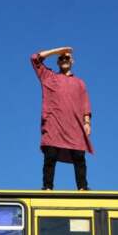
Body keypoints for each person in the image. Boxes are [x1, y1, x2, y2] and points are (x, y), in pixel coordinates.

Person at [31, 46, 93, 190]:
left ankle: (83, 188)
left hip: (74, 125)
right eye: (61, 58)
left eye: (67, 58)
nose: (64, 60)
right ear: (58, 62)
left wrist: (87, 121)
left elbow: (85, 102)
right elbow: (35, 58)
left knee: (79, 156)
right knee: (50, 155)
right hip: (54, 124)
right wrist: (57, 51)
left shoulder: (80, 83)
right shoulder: (49, 77)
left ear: (72, 62)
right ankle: (47, 188)